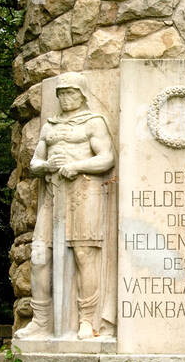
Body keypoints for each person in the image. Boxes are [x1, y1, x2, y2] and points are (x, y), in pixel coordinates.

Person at [15, 73, 114, 340]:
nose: (65, 98)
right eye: (61, 94)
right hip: (53, 196)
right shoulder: (50, 126)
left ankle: (86, 320)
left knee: (84, 256)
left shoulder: (93, 122)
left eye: (71, 93)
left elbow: (106, 158)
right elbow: (34, 163)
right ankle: (41, 320)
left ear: (82, 94)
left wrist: (76, 166)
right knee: (38, 255)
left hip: (84, 194)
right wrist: (46, 166)